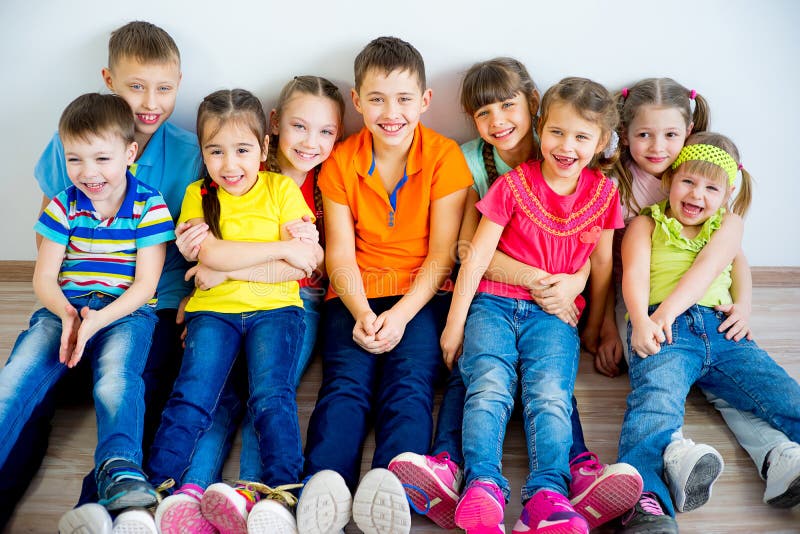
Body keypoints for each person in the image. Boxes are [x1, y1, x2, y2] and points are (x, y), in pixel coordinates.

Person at [389, 58, 642, 531]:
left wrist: (597, 324)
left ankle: (548, 493)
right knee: (487, 385)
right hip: (492, 301)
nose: (566, 147)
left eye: (582, 138)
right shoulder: (508, 183)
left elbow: (602, 262)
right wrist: (455, 321)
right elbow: (475, 255)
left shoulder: (603, 194)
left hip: (554, 313)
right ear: (544, 127)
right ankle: (482, 486)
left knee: (549, 393)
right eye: (559, 134)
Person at [14, 21, 201, 534]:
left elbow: (196, 238)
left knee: (142, 385)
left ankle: (102, 504)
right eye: (135, 85)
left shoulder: (186, 152)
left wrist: (190, 301)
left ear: (179, 83)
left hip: (149, 300)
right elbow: (48, 231)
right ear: (108, 80)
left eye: (163, 88)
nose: (150, 101)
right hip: (77, 293)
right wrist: (65, 307)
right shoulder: (71, 142)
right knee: (33, 391)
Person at [295, 36, 472, 534]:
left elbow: (441, 256)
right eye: (376, 99)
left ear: (425, 101)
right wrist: (361, 312)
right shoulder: (341, 161)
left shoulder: (444, 158)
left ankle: (393, 481)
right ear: (357, 101)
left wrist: (400, 315)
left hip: (421, 296)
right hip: (352, 295)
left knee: (408, 385)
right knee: (346, 387)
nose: (389, 112)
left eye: (402, 99)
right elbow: (340, 253)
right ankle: (324, 481)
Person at [154, 76, 344, 534]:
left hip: (277, 311)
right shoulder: (198, 195)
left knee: (270, 396)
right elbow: (209, 254)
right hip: (213, 315)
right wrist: (270, 251)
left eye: (241, 150)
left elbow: (302, 266)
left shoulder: (280, 190)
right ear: (202, 153)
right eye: (215, 151)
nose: (229, 163)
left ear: (263, 147)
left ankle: (279, 490)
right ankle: (161, 490)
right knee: (194, 396)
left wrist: (224, 267)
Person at [600, 78, 800, 514]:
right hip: (645, 304)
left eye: (671, 134)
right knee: (657, 396)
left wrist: (743, 305)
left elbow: (728, 261)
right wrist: (610, 326)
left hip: (701, 310)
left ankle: (779, 455)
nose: (657, 146)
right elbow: (620, 271)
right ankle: (661, 474)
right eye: (644, 134)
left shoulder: (715, 201)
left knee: (758, 390)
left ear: (687, 133)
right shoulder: (629, 200)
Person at [0, 93, 174, 529]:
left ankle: (118, 468)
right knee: (17, 375)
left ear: (129, 153)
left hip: (125, 313)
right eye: (75, 159)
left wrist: (100, 318)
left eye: (101, 158)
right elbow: (43, 276)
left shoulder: (148, 205)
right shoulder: (62, 204)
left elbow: (146, 285)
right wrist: (67, 314)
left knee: (117, 380)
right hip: (64, 307)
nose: (88, 172)